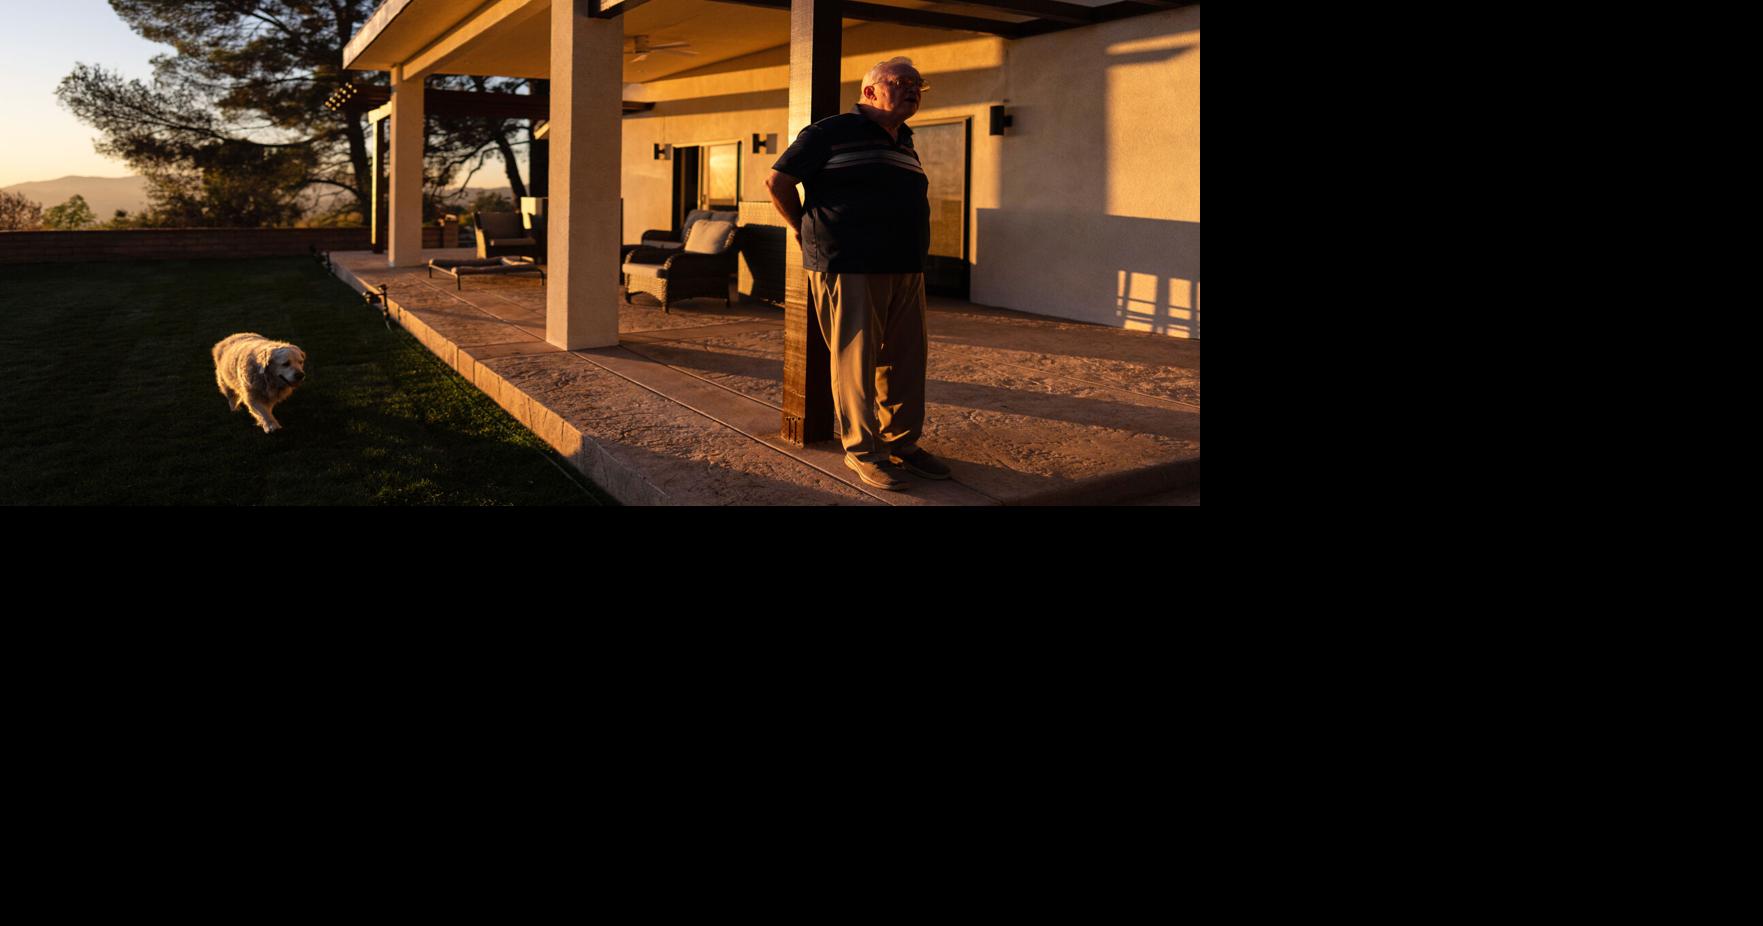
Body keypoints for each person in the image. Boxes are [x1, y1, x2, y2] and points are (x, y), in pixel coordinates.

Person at [764, 57, 952, 492]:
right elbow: (777, 182)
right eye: (902, 82)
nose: (913, 90)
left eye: (918, 83)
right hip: (849, 264)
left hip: (905, 265)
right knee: (855, 362)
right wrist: (800, 229)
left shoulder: (905, 140)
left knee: (906, 359)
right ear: (869, 92)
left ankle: (902, 443)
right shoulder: (829, 132)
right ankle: (862, 452)